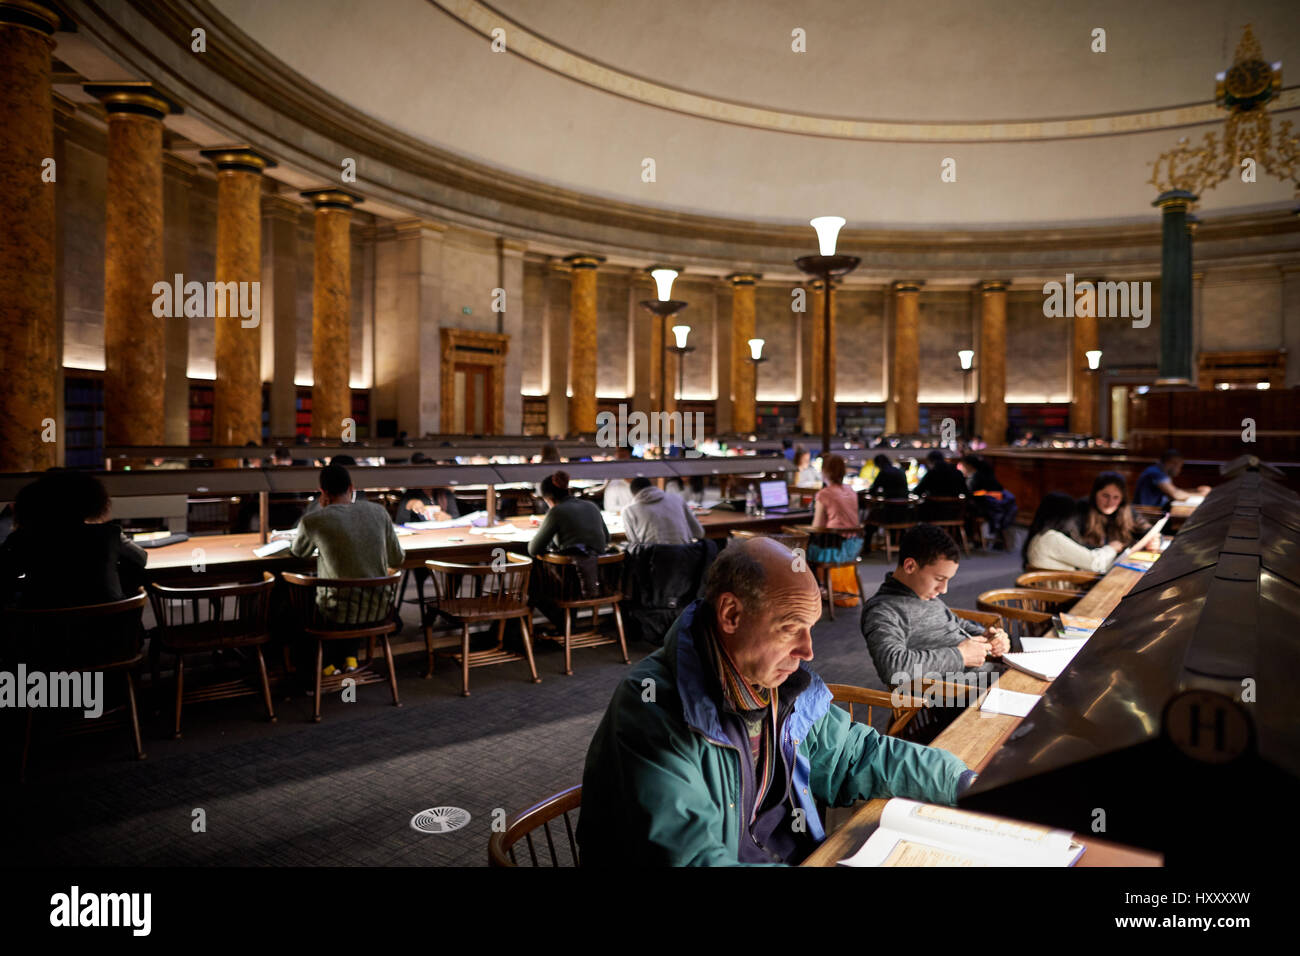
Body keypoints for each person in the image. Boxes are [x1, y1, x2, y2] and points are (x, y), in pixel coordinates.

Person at [577, 537, 977, 866]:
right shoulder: (652, 709)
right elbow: (693, 858)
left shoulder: (776, 685)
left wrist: (964, 783)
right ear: (731, 614)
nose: (808, 650)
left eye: (811, 629)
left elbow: (856, 754)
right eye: (790, 629)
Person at [861, 525, 1009, 743]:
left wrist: (990, 637)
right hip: (963, 698)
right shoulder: (883, 611)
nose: (944, 589)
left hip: (991, 680)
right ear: (910, 565)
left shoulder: (925, 596)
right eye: (940, 578)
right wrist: (960, 656)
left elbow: (957, 625)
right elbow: (892, 666)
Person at [289, 464, 404, 677]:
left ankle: (324, 665)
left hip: (337, 613)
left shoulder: (314, 519)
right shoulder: (379, 512)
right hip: (378, 609)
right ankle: (348, 657)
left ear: (321, 491)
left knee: (293, 603)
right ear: (352, 487)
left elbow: (299, 553)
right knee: (353, 588)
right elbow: (398, 558)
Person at [0, 471, 148, 609]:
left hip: (43, 629)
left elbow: (6, 573)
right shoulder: (109, 534)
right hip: (106, 629)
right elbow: (140, 558)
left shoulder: (25, 538)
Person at [1023, 492, 1122, 573]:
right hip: (1065, 593)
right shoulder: (1051, 538)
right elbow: (1094, 563)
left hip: (1057, 591)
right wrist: (1112, 548)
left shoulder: (1041, 536)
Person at [527, 471, 609, 556]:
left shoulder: (556, 511)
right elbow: (607, 538)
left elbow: (533, 549)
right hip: (600, 565)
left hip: (573, 566)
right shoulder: (592, 505)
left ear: (549, 499)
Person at [623, 477, 704, 546]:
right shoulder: (677, 499)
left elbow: (634, 543)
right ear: (652, 486)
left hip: (653, 560)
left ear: (633, 494)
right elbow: (699, 532)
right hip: (685, 557)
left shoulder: (628, 510)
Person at [1076, 471, 1148, 548]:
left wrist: (1154, 540)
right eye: (1105, 496)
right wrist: (1109, 549)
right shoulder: (1081, 508)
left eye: (1116, 497)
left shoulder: (1125, 509)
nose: (1110, 502)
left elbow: (1147, 531)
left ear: (1122, 499)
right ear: (1095, 494)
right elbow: (1074, 544)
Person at [1135, 449, 1210, 509]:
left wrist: (1196, 490)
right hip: (1148, 513)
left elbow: (1174, 491)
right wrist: (1201, 494)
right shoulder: (1156, 472)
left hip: (1155, 511)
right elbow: (1176, 494)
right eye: (1180, 467)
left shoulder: (1159, 471)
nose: (1180, 470)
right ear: (1172, 463)